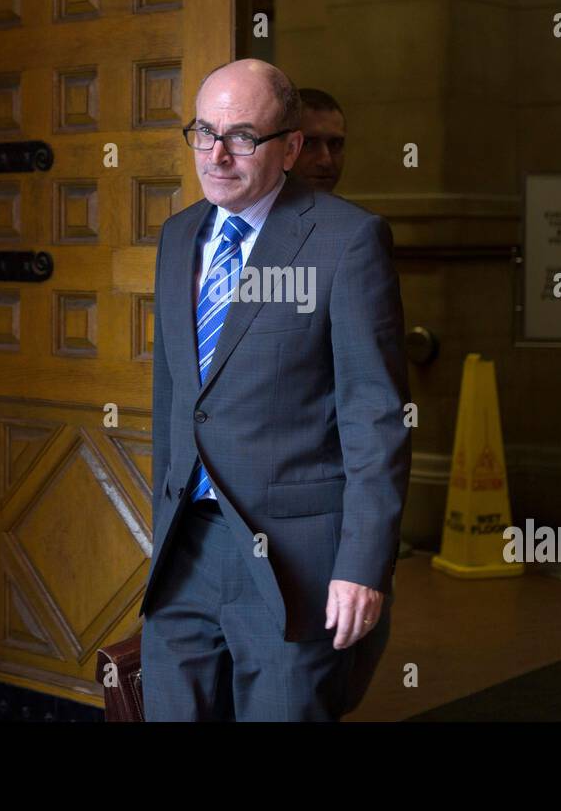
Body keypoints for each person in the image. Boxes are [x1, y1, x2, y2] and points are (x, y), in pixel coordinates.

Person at [138, 58, 410, 720]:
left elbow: (375, 415)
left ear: (289, 147)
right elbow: (175, 400)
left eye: (242, 137)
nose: (217, 155)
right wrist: (161, 525)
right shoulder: (178, 238)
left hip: (294, 563)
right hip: (186, 554)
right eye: (204, 133)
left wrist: (362, 563)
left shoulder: (347, 241)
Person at [290, 87, 347, 193]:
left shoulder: (348, 210)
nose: (326, 161)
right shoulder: (254, 208)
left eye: (335, 144)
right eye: (308, 144)